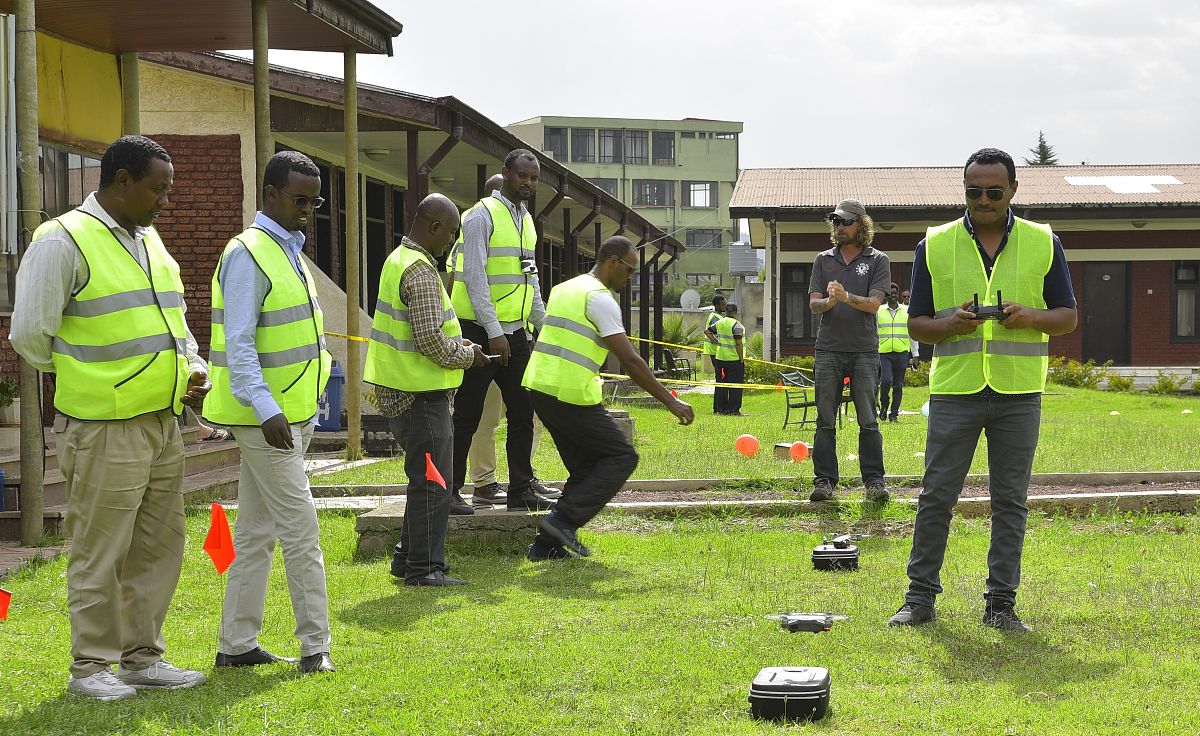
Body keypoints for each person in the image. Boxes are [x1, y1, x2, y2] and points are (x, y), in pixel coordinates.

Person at [9, 135, 210, 700]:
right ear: (122, 181)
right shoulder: (62, 240)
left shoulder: (149, 240)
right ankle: (91, 667)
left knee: (157, 547)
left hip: (162, 422)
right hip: (103, 426)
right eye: (157, 189)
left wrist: (192, 368)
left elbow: (175, 324)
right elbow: (30, 334)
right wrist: (95, 376)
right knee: (101, 550)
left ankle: (142, 659)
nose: (165, 201)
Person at [888, 148, 1077, 632]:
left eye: (994, 191)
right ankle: (919, 599)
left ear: (1013, 189)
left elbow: (1068, 317)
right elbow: (917, 323)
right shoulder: (934, 243)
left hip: (1018, 392)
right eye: (974, 191)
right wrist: (950, 325)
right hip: (956, 390)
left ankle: (1000, 605)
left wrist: (1029, 316)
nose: (984, 200)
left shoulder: (1043, 241)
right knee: (937, 496)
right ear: (965, 191)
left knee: (1010, 501)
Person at [205, 151, 335, 674]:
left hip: (292, 417)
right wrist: (265, 409)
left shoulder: (289, 250)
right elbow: (239, 346)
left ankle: (236, 644)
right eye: (300, 200)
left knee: (256, 533)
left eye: (315, 202)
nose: (308, 210)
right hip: (267, 421)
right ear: (270, 195)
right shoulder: (248, 253)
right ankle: (315, 646)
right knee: (302, 531)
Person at [523, 236, 695, 560]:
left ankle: (546, 546)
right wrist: (671, 401)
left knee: (586, 467)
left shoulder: (565, 288)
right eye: (629, 270)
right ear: (613, 262)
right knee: (622, 456)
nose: (630, 278)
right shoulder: (600, 299)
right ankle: (561, 523)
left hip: (540, 388)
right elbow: (630, 361)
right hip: (569, 393)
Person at [366, 193, 488, 586]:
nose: (451, 242)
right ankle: (425, 568)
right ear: (434, 227)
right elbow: (431, 342)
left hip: (403, 391)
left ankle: (407, 558)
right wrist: (468, 355)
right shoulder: (420, 272)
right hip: (420, 396)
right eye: (451, 233)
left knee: (423, 479)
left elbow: (424, 333)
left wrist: (458, 345)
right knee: (435, 484)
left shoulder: (397, 259)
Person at [450, 149, 554, 512]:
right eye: (522, 176)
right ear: (506, 173)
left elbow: (531, 278)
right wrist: (494, 332)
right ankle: (450, 492)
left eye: (534, 178)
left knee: (523, 411)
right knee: (468, 414)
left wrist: (543, 326)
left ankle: (521, 488)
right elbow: (475, 278)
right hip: (480, 331)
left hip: (515, 331)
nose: (528, 183)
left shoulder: (526, 220)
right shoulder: (481, 216)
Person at [807, 199, 891, 503]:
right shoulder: (823, 259)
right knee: (825, 419)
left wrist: (844, 297)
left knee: (868, 418)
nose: (838, 227)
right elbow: (813, 304)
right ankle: (824, 482)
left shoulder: (878, 259)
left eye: (845, 221)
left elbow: (874, 304)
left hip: (864, 351)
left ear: (861, 225)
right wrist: (828, 302)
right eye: (835, 221)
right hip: (828, 349)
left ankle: (874, 482)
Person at [877, 283, 910, 422]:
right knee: (885, 381)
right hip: (884, 353)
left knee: (898, 385)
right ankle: (884, 405)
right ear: (886, 296)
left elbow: (912, 332)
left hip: (902, 352)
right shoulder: (879, 311)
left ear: (898, 295)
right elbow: (874, 332)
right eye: (890, 294)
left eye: (895, 293)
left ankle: (894, 414)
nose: (893, 296)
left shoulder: (906, 311)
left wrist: (916, 354)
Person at [709, 303, 746, 415]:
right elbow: (739, 343)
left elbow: (707, 332)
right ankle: (734, 410)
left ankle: (722, 409)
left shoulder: (720, 323)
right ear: (735, 312)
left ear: (726, 311)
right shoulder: (737, 325)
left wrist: (716, 342)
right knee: (736, 385)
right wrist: (741, 358)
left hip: (720, 359)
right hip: (734, 360)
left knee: (722, 384)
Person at [701, 294, 727, 375]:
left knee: (720, 375)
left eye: (725, 304)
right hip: (717, 351)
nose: (725, 306)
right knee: (720, 375)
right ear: (716, 305)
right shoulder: (715, 317)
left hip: (717, 351)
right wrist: (719, 344)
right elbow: (713, 334)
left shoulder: (718, 316)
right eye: (723, 305)